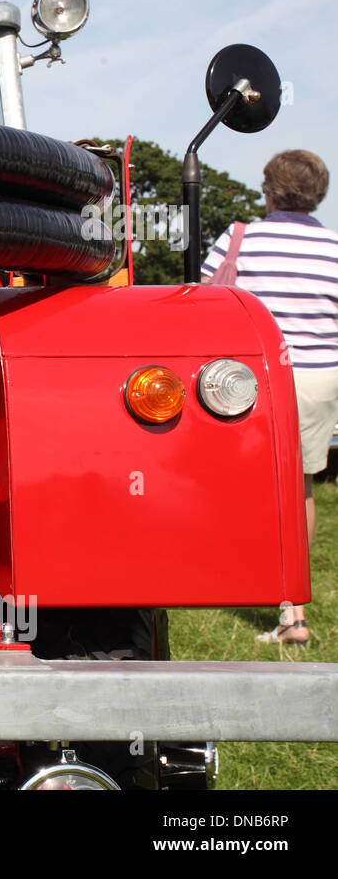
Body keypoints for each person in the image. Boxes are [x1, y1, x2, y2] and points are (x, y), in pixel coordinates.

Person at [201, 149, 338, 644]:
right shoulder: (334, 248)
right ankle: (294, 614)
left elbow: (204, 301)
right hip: (318, 378)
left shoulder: (242, 238)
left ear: (269, 190)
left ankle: (218, 575)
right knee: (298, 485)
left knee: (238, 480)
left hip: (252, 377)